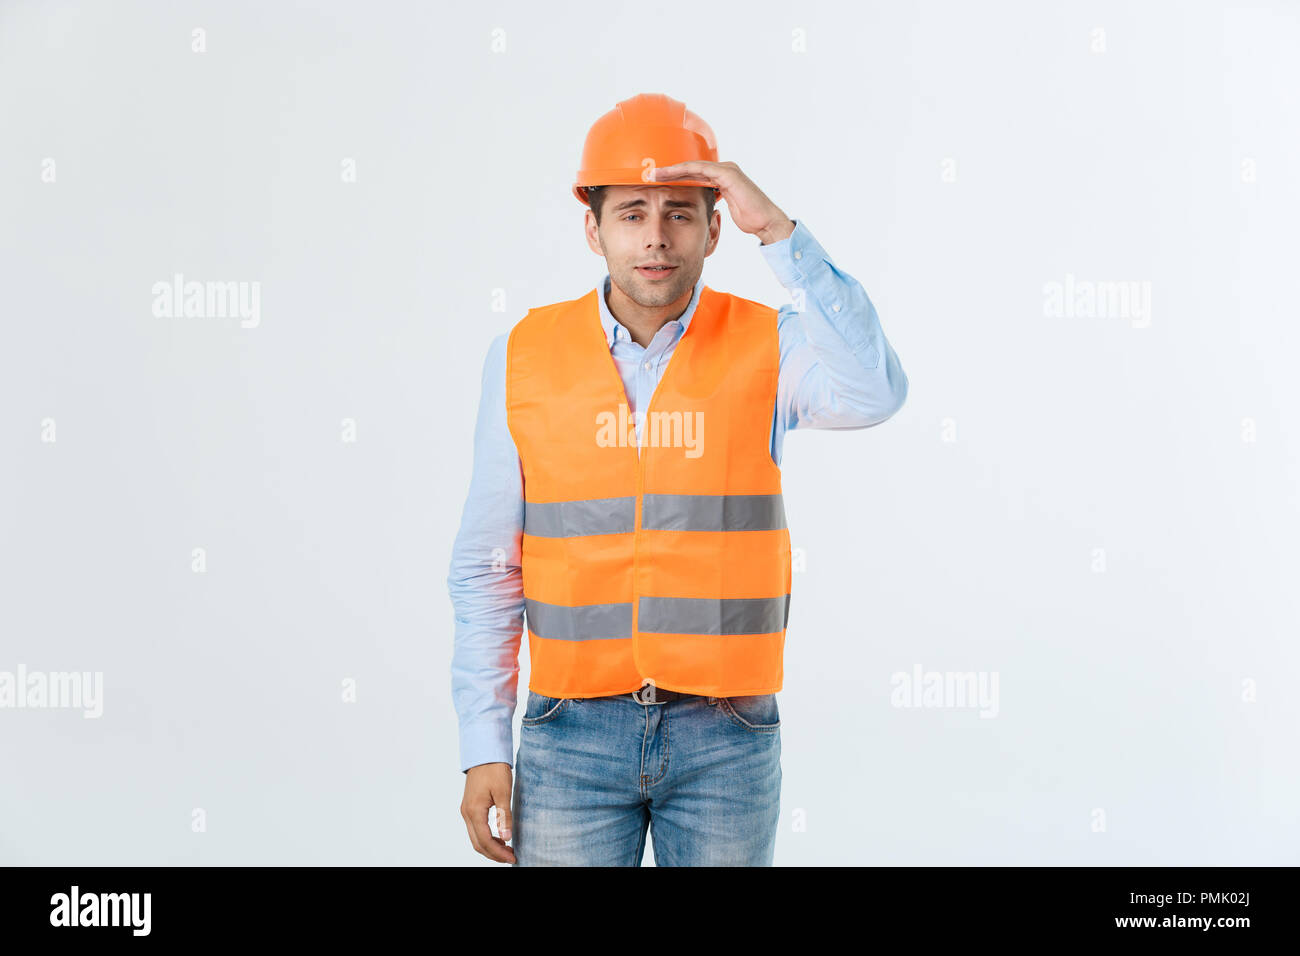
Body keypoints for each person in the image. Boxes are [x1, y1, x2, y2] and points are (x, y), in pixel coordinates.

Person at [447, 93, 908, 866]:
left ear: (716, 227)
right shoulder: (522, 355)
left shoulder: (773, 346)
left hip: (728, 734)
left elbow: (876, 390)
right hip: (569, 735)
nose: (655, 239)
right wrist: (482, 743)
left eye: (680, 213)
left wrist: (783, 236)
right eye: (631, 213)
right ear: (591, 228)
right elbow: (486, 567)